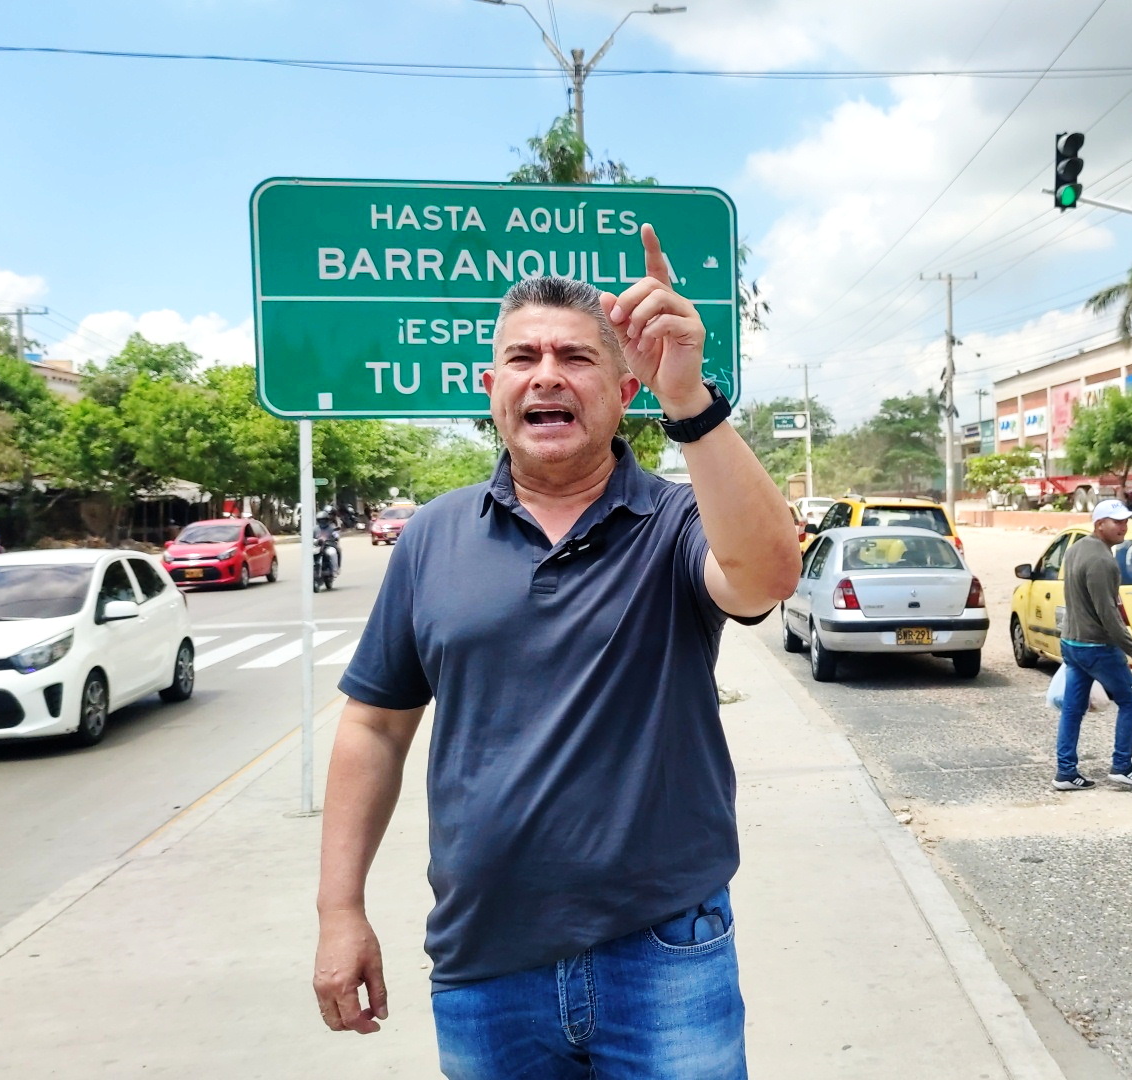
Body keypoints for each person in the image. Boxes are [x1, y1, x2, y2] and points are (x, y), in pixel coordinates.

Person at [312, 226, 800, 1079]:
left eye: (575, 358)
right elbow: (375, 730)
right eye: (525, 357)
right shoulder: (430, 536)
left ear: (622, 390)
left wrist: (691, 399)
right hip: (483, 962)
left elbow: (766, 574)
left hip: (665, 951)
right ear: (490, 386)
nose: (547, 374)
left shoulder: (678, 521)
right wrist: (338, 909)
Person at [1053, 499, 1132, 793]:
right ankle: (1122, 766)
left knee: (1072, 709)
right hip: (1096, 646)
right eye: (1117, 522)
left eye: (1126, 521)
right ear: (1100, 524)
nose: (1124, 527)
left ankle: (1065, 771)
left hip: (1072, 642)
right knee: (1130, 701)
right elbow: (1107, 615)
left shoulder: (1076, 549)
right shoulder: (1102, 561)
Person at [314, 512, 342, 578]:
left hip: (328, 546)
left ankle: (334, 571)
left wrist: (336, 537)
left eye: (324, 520)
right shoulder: (315, 529)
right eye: (320, 520)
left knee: (332, 553)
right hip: (317, 546)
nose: (322, 522)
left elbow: (336, 534)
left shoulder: (331, 528)